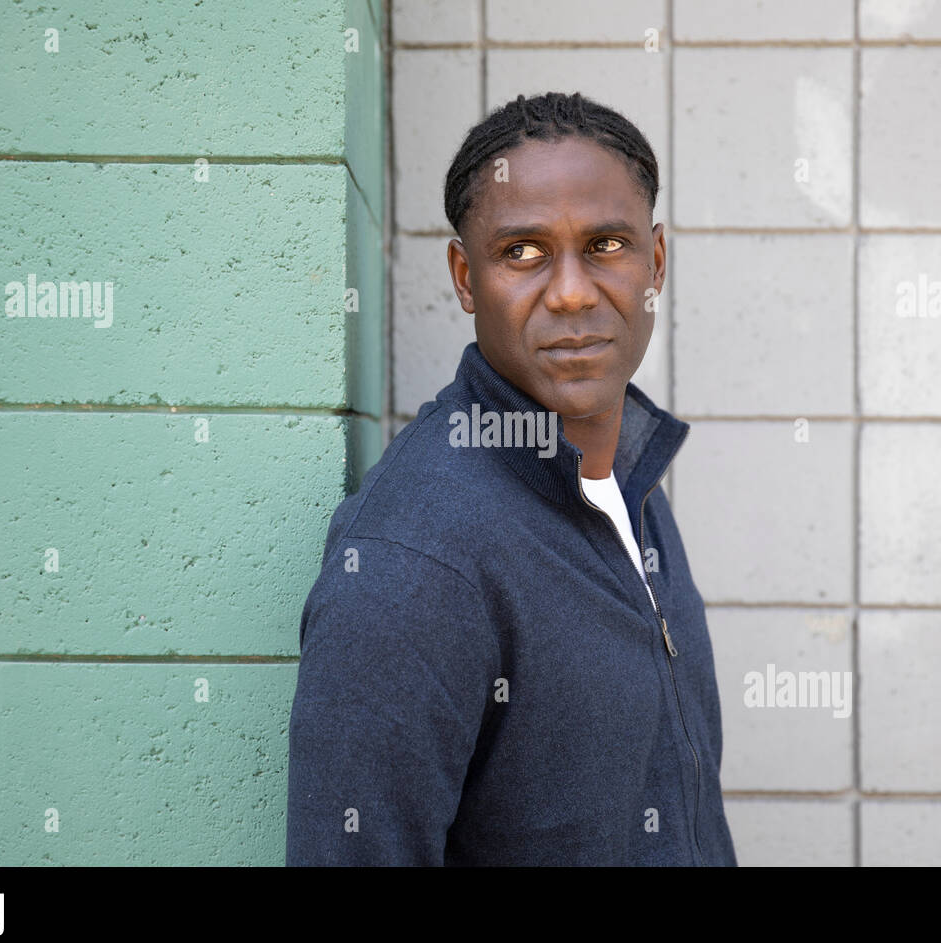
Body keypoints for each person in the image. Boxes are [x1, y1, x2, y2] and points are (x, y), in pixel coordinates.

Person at [286, 91, 738, 866]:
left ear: (654, 262)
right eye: (522, 251)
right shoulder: (414, 558)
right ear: (465, 278)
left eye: (605, 245)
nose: (568, 291)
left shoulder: (629, 479)